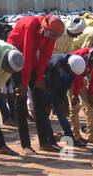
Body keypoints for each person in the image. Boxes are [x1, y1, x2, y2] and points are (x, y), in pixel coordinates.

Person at [6, 14, 65, 152]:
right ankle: (26, 145)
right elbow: (27, 54)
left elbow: (46, 55)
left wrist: (39, 78)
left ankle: (44, 142)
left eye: (52, 36)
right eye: (48, 33)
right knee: (20, 99)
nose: (49, 37)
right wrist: (24, 83)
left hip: (34, 54)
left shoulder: (52, 32)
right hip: (17, 53)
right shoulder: (31, 25)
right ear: (44, 26)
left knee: (40, 98)